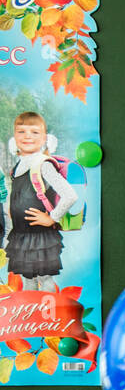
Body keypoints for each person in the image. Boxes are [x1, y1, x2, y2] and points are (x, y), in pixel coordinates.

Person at [3, 113, 81, 292]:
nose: (27, 136)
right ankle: (35, 315)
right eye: (21, 131)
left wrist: (51, 218)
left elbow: (70, 195)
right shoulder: (17, 167)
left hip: (39, 236)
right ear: (14, 137)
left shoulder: (42, 164)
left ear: (45, 138)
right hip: (22, 235)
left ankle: (50, 311)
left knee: (44, 278)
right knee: (27, 278)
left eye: (34, 132)